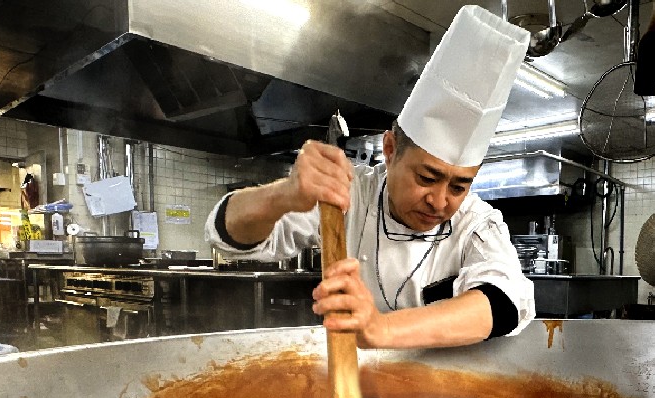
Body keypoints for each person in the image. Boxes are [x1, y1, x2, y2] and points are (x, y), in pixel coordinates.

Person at [206, 5, 535, 350]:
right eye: (426, 178)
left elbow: (504, 301)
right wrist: (282, 195)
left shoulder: (477, 223)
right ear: (390, 150)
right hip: (356, 373)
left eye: (459, 186)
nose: (439, 201)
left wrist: (380, 328)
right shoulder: (349, 193)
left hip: (442, 382)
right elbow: (227, 236)